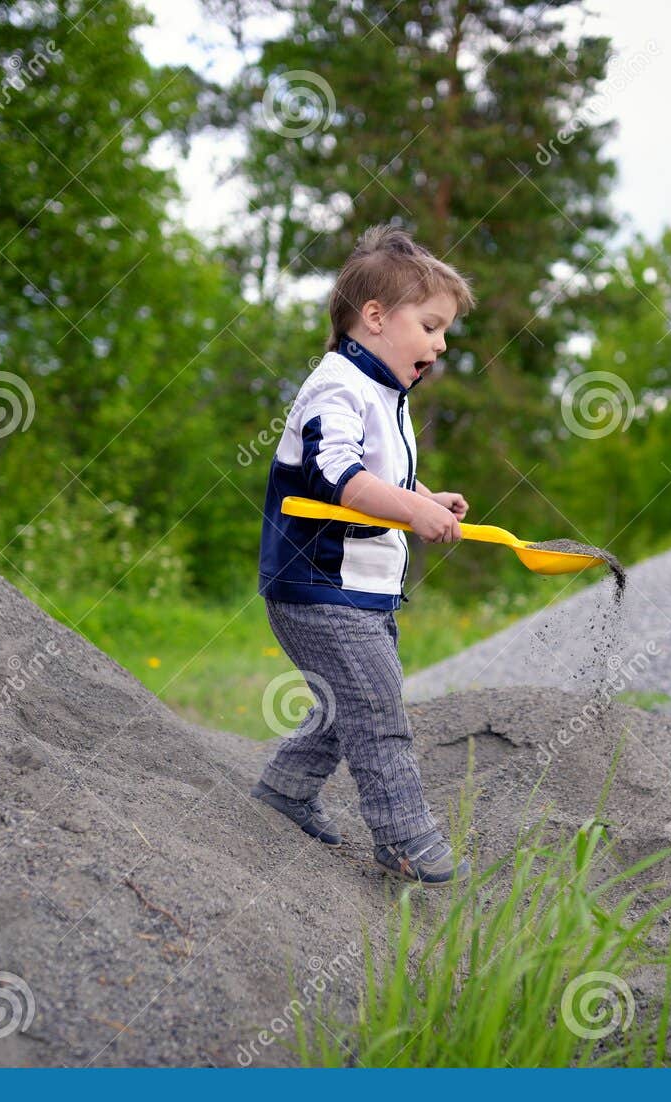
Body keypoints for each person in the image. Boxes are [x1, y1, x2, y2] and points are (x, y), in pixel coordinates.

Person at [252, 224, 477, 886]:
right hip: (317, 585)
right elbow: (335, 475)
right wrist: (413, 511)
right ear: (375, 317)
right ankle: (404, 837)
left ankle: (287, 789)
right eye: (432, 326)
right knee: (378, 709)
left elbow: (375, 479)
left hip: (361, 589)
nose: (440, 345)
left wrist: (423, 495)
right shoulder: (338, 386)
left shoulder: (384, 394)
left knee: (347, 699)